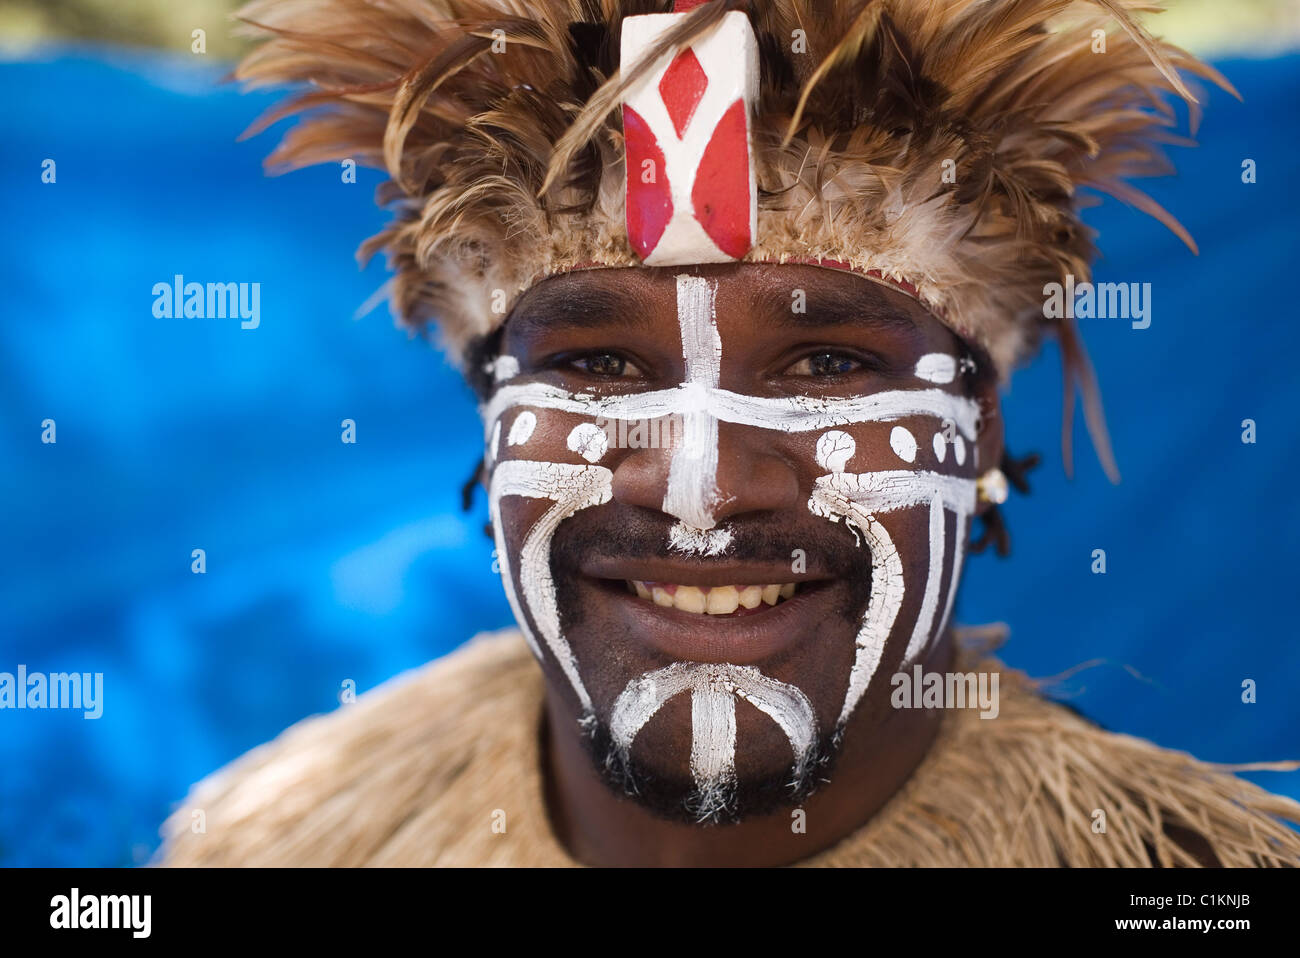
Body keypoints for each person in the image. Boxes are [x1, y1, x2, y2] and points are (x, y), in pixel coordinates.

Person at [159, 0, 1300, 867]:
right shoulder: (273, 841)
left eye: (830, 363)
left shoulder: (1183, 875)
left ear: (980, 436)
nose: (700, 486)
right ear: (491, 420)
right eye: (597, 364)